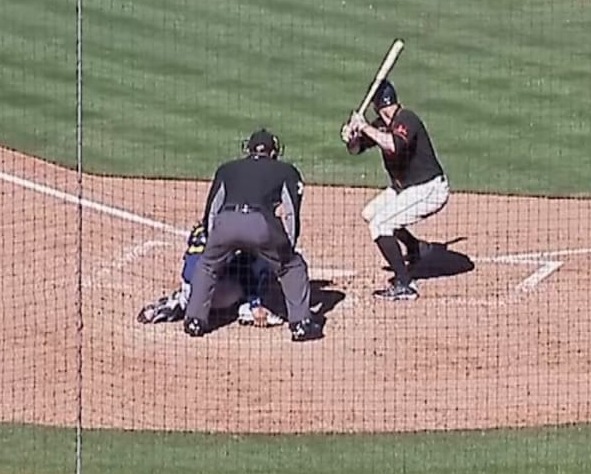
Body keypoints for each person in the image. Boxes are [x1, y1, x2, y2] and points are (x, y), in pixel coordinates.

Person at [183, 128, 322, 341]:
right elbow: (291, 212)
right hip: (261, 224)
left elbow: (212, 209)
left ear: (248, 149)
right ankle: (300, 324)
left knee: (207, 265)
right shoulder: (286, 171)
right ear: (274, 151)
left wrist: (215, 243)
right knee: (293, 267)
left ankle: (194, 321)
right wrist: (286, 251)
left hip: (225, 223)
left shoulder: (226, 169)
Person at [341, 80, 449, 301]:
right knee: (370, 213)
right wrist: (351, 138)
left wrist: (364, 127)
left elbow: (392, 145)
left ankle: (405, 284)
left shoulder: (406, 119)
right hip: (406, 189)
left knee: (380, 224)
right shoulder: (381, 123)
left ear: (376, 103)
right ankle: (414, 247)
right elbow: (356, 149)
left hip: (428, 188)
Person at [134, 220, 285, 327]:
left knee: (208, 267)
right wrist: (254, 303)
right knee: (260, 261)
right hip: (216, 296)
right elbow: (245, 267)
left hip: (190, 287)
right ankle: (246, 308)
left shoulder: (205, 227)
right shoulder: (235, 231)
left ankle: (180, 301)